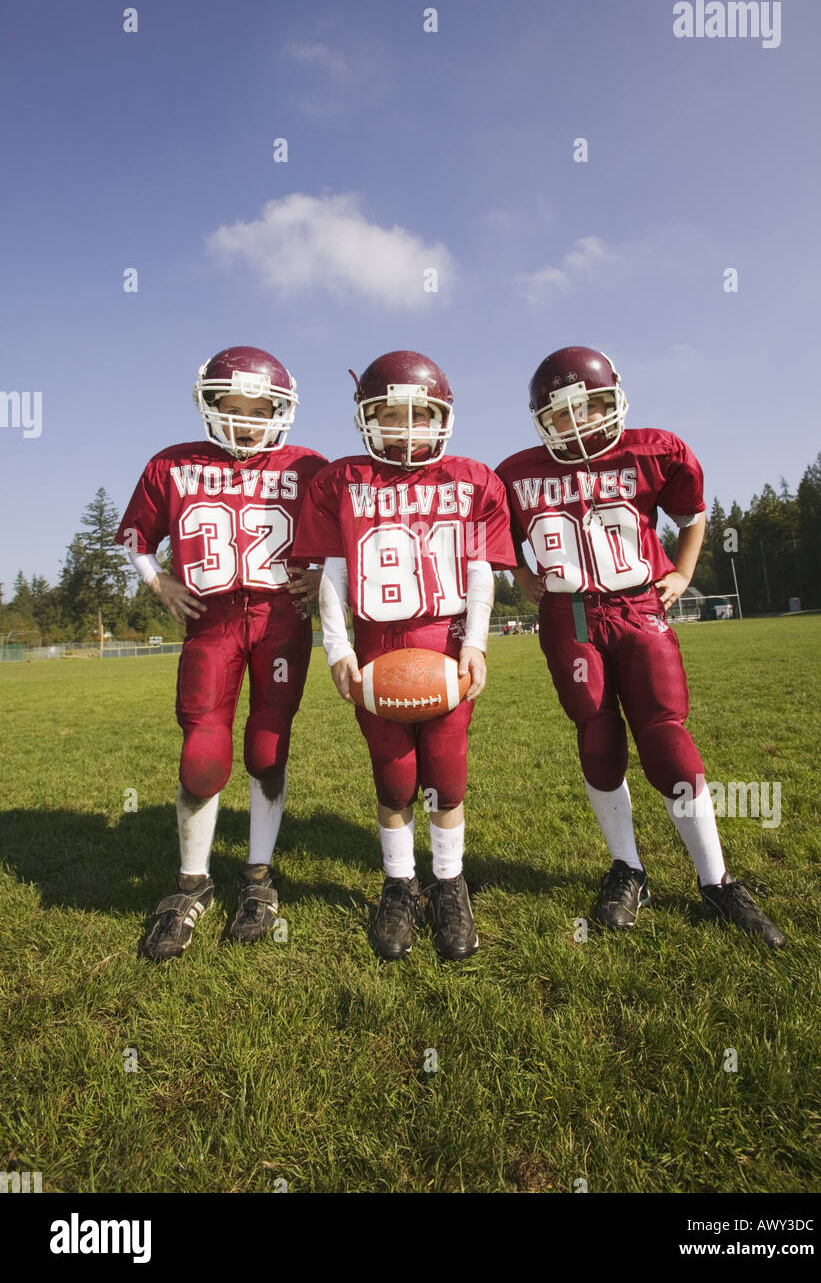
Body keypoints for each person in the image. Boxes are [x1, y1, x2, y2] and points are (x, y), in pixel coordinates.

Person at [495, 346, 786, 948]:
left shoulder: (654, 450)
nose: (580, 422)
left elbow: (692, 515)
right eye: (563, 411)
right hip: (570, 612)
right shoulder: (516, 473)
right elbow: (504, 544)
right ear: (540, 418)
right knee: (597, 738)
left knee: (666, 739)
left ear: (617, 398)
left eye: (594, 405)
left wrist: (680, 573)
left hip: (636, 607)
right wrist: (530, 586)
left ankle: (716, 879)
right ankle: (628, 868)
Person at [293, 350, 515, 960]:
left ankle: (449, 882)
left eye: (419, 416)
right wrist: (335, 648)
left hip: (442, 641)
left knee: (446, 773)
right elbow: (334, 573)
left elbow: (480, 573)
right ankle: (398, 883)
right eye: (390, 416)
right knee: (393, 778)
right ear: (366, 419)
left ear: (442, 418)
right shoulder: (342, 480)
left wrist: (475, 643)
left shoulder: (470, 479)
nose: (405, 429)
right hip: (375, 645)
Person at [116, 346, 326, 960]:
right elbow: (137, 537)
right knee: (202, 755)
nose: (243, 421)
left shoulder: (308, 466)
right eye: (230, 407)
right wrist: (158, 583)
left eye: (258, 410)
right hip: (210, 620)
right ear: (208, 406)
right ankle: (190, 883)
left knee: (266, 746)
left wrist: (321, 575)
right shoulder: (173, 464)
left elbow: (342, 540)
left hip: (281, 619)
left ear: (280, 411)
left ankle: (258, 877)